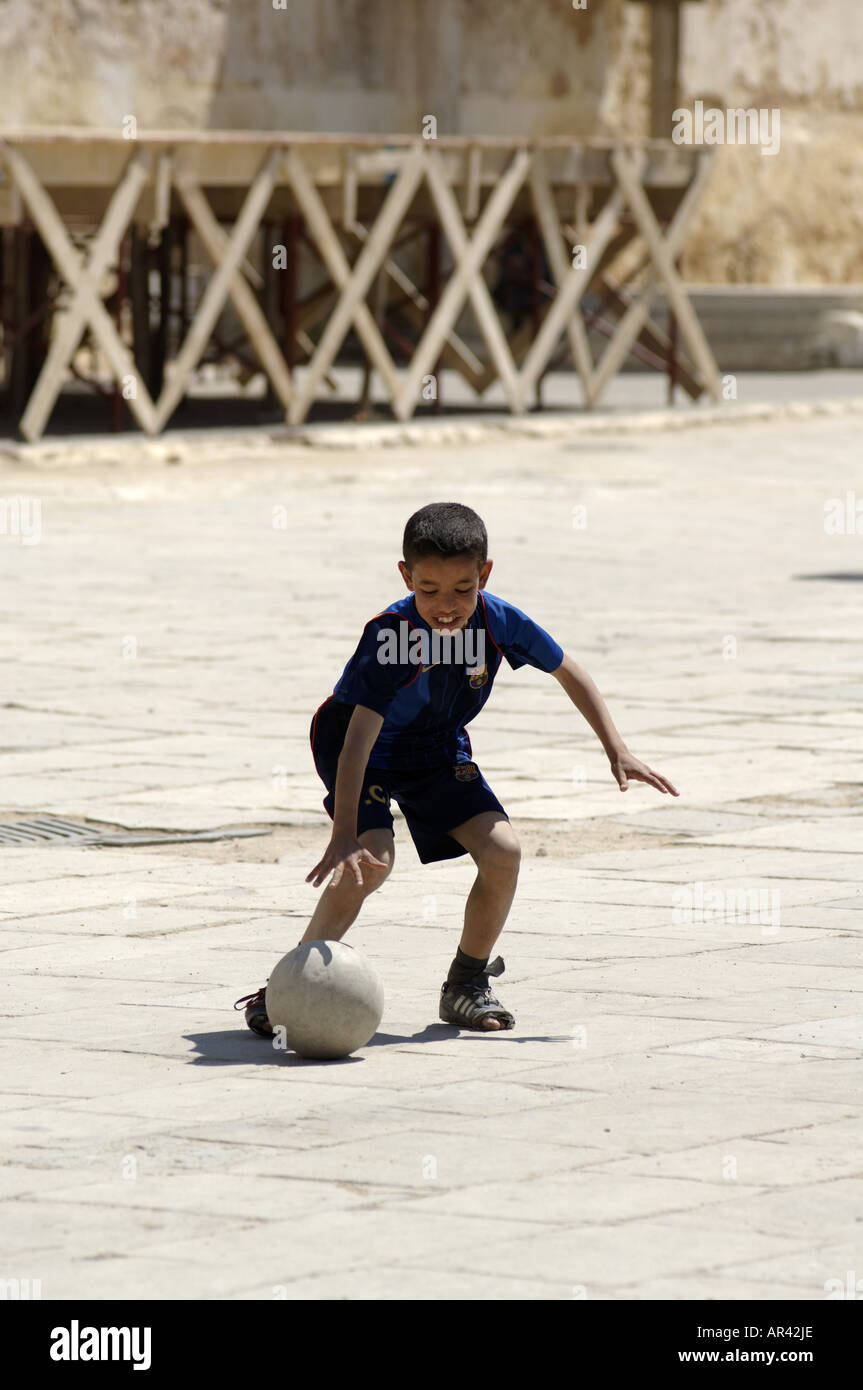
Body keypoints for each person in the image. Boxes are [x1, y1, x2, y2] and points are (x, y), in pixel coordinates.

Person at [235, 501, 678, 1036]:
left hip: (436, 747)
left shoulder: (498, 621)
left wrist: (617, 747)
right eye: (429, 590)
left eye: (462, 589)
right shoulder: (391, 637)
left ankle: (466, 983)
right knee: (370, 860)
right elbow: (357, 741)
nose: (446, 605)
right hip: (359, 744)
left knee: (503, 852)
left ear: (484, 575)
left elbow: (570, 671)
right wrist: (344, 833)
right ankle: (285, 988)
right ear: (406, 576)